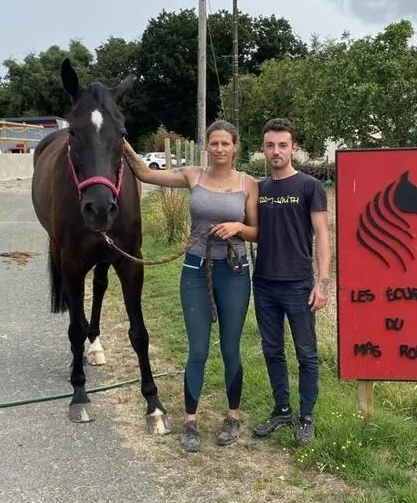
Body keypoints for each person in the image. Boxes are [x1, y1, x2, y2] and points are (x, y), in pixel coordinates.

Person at [122, 120, 259, 453]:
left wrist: (238, 227)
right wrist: (122, 142)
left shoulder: (248, 183)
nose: (220, 149)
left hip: (234, 270)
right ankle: (191, 423)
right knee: (197, 350)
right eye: (214, 143)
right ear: (207, 146)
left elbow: (258, 232)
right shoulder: (192, 175)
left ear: (235, 146)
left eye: (226, 144)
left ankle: (233, 417)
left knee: (230, 348)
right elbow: (145, 174)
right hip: (195, 269)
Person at [250, 118, 330, 446]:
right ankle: (282, 410)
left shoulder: (310, 186)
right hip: (264, 283)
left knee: (306, 353)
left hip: (298, 284)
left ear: (293, 148)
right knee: (272, 350)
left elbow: (323, 236)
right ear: (263, 149)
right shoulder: (258, 188)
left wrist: (322, 283)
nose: (276, 151)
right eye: (270, 145)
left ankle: (306, 416)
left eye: (283, 145)